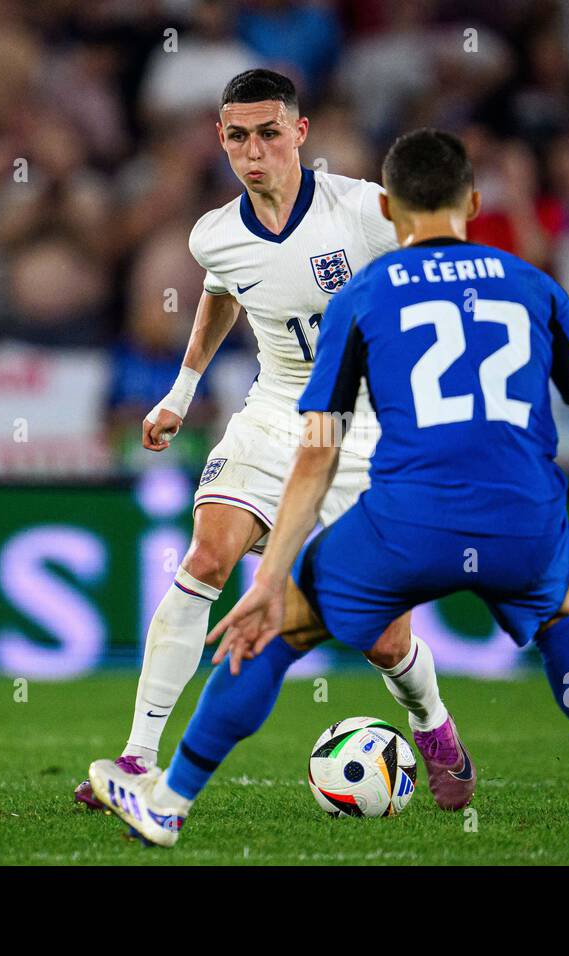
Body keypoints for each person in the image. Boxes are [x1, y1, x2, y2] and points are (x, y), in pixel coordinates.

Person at [89, 128, 569, 851]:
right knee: (565, 623)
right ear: (474, 202)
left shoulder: (367, 295)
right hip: (524, 514)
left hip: (410, 511)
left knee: (277, 631)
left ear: (392, 212)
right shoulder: (536, 286)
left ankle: (167, 804)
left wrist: (274, 576)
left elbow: (320, 448)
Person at [76, 70, 475, 814]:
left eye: (268, 132)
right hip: (273, 416)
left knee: (382, 639)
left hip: (368, 430)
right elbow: (222, 290)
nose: (253, 150)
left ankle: (432, 721)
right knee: (203, 557)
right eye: (237, 135)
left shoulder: (363, 211)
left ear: (300, 132)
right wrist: (180, 392)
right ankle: (137, 758)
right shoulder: (214, 233)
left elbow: (446, 252)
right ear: (220, 141)